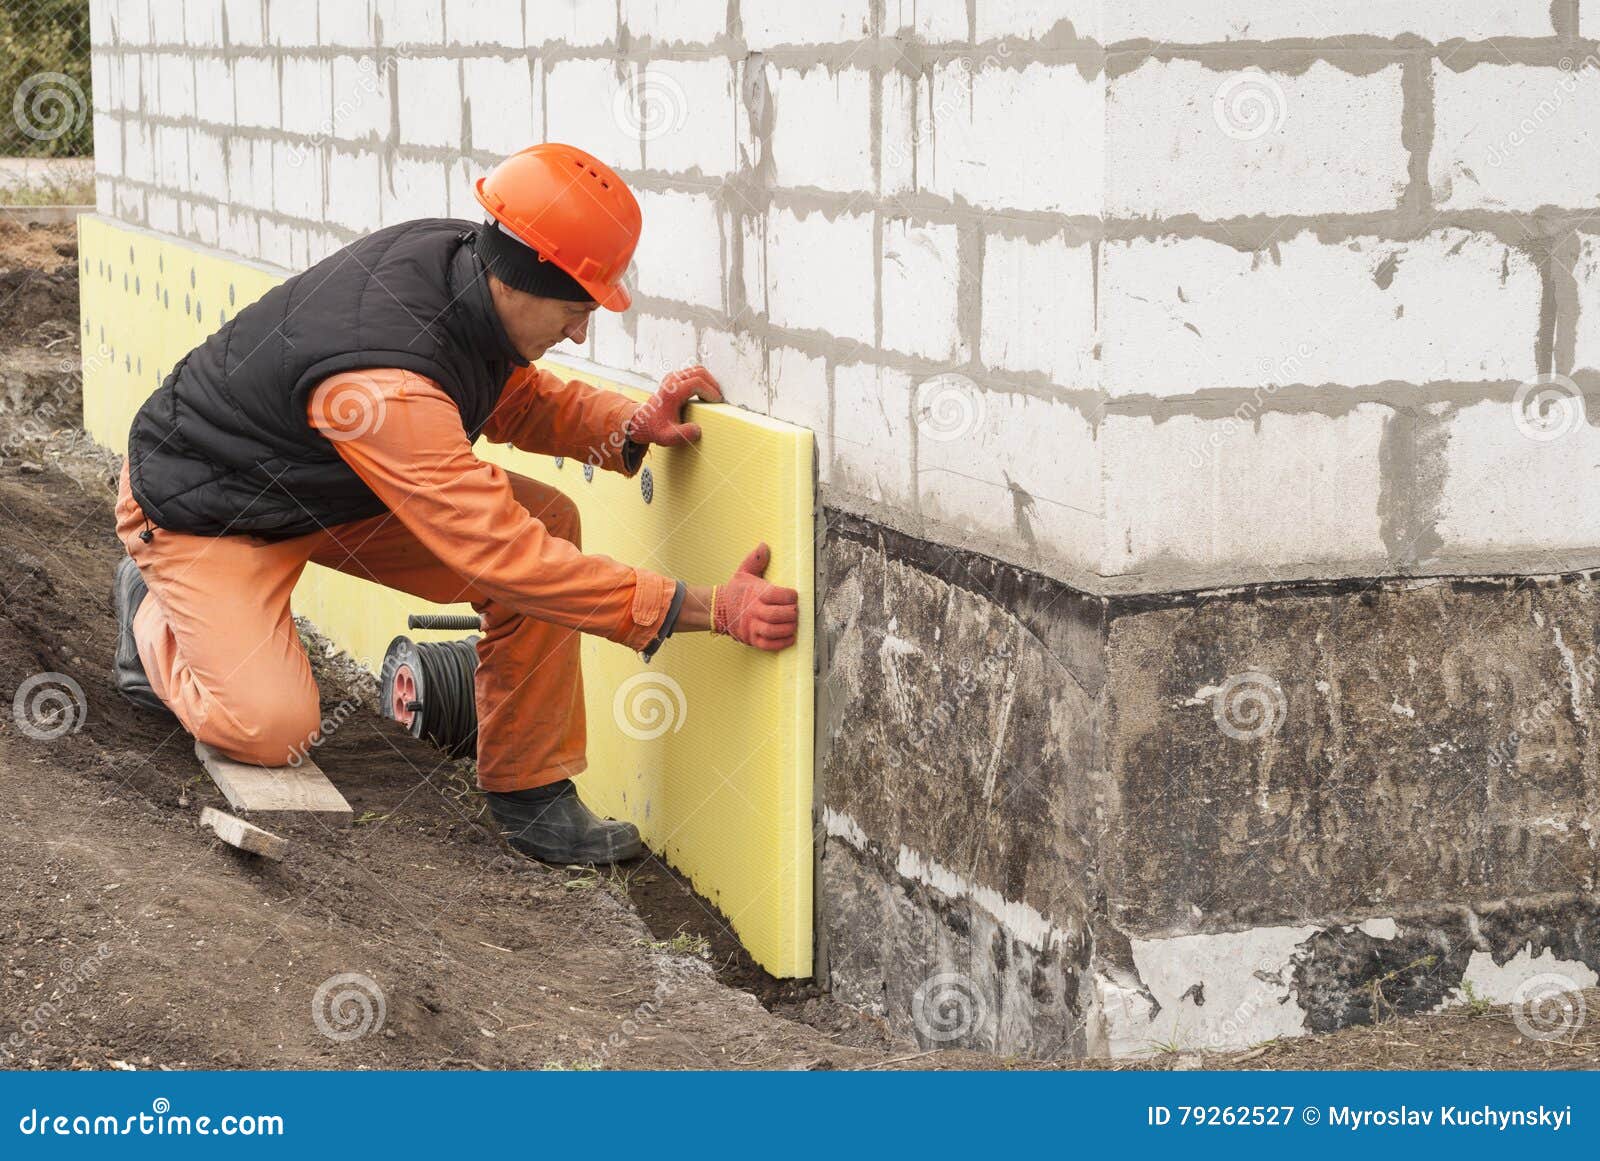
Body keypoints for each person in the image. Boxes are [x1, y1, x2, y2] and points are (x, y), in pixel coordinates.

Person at [110, 142, 800, 865]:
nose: (579, 332)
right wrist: (704, 607)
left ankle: (531, 789)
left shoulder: (463, 269)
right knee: (269, 728)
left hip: (328, 487)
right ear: (522, 280)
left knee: (548, 522)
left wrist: (623, 426)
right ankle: (155, 610)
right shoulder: (386, 388)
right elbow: (505, 558)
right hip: (209, 510)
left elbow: (503, 394)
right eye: (575, 310)